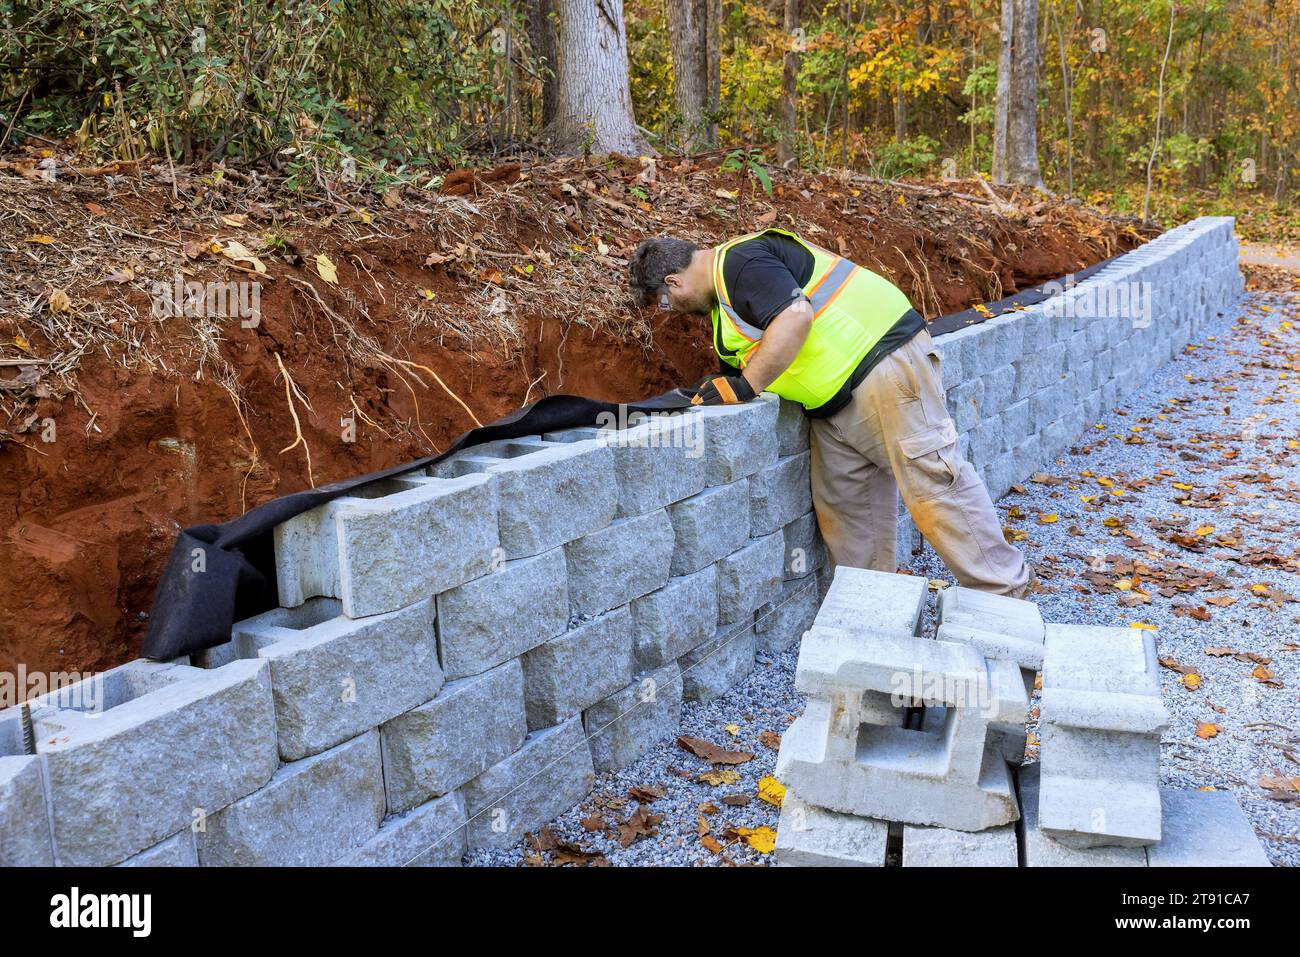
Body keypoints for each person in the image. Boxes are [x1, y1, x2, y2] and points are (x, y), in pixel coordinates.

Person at [628, 227, 1033, 597]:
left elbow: (795, 315)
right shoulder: (725, 307)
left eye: (663, 303)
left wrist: (746, 385)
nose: (670, 311)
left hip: (882, 367)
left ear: (673, 281)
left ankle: (1004, 596)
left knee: (935, 481)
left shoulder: (739, 262)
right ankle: (871, 618)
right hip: (833, 408)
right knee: (848, 514)